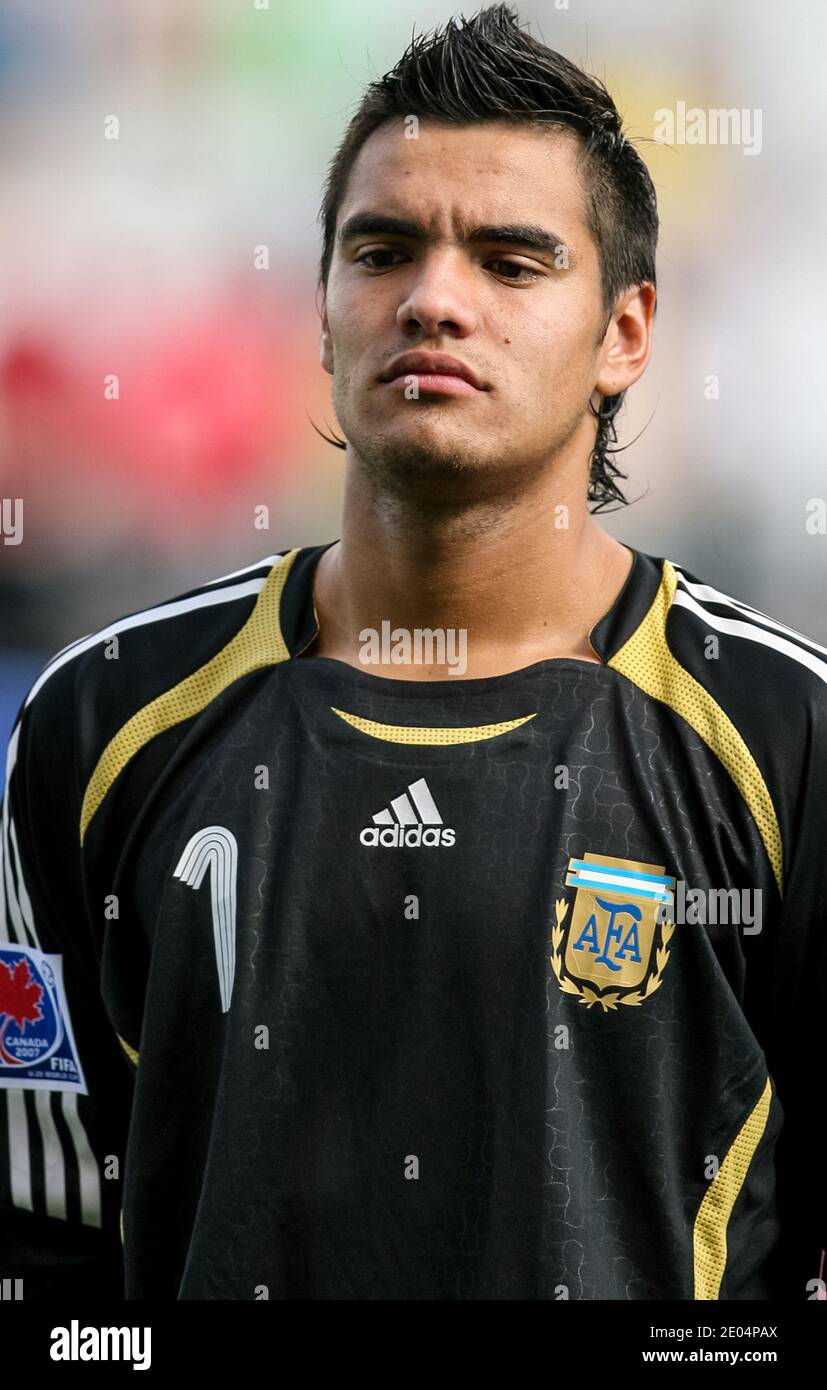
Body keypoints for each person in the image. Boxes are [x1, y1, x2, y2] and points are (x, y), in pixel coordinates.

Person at [1, 3, 824, 1300]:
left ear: (625, 332)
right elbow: (40, 1245)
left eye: (511, 261)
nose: (435, 300)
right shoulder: (101, 723)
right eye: (383, 251)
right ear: (325, 313)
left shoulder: (785, 737)